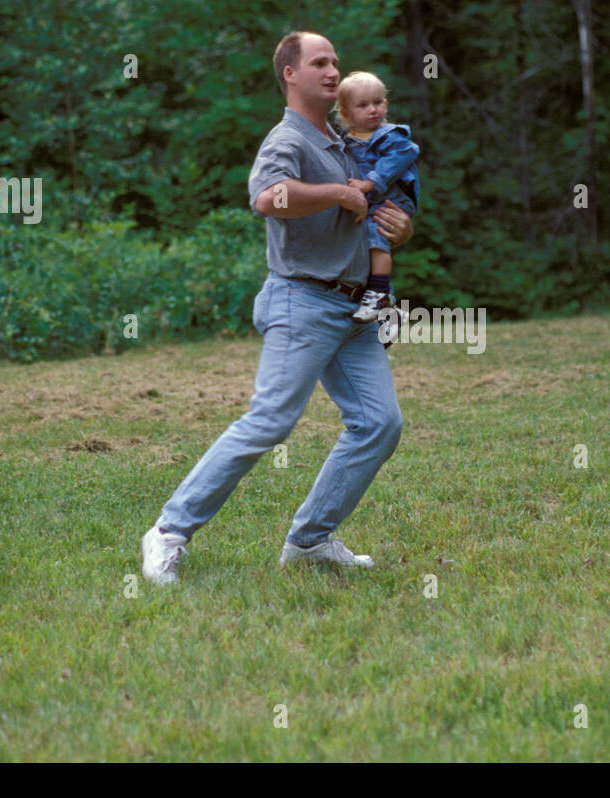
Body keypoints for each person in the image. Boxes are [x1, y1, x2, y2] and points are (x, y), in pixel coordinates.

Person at [140, 31, 413, 583]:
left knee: (379, 423)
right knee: (270, 421)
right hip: (304, 300)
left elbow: (368, 217)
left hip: (354, 308)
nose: (333, 70)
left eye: (335, 61)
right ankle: (169, 530)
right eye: (319, 62)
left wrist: (399, 229)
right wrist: (337, 194)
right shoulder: (287, 139)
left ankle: (310, 542)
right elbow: (268, 198)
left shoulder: (344, 143)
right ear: (290, 74)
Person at [332, 71, 419, 347]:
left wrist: (370, 183)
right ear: (346, 113)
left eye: (378, 102)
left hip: (392, 198)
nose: (373, 110)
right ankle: (389, 312)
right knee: (363, 249)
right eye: (363, 105)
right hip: (373, 200)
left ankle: (380, 293)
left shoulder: (391, 136)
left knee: (374, 232)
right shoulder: (346, 140)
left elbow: (406, 154)